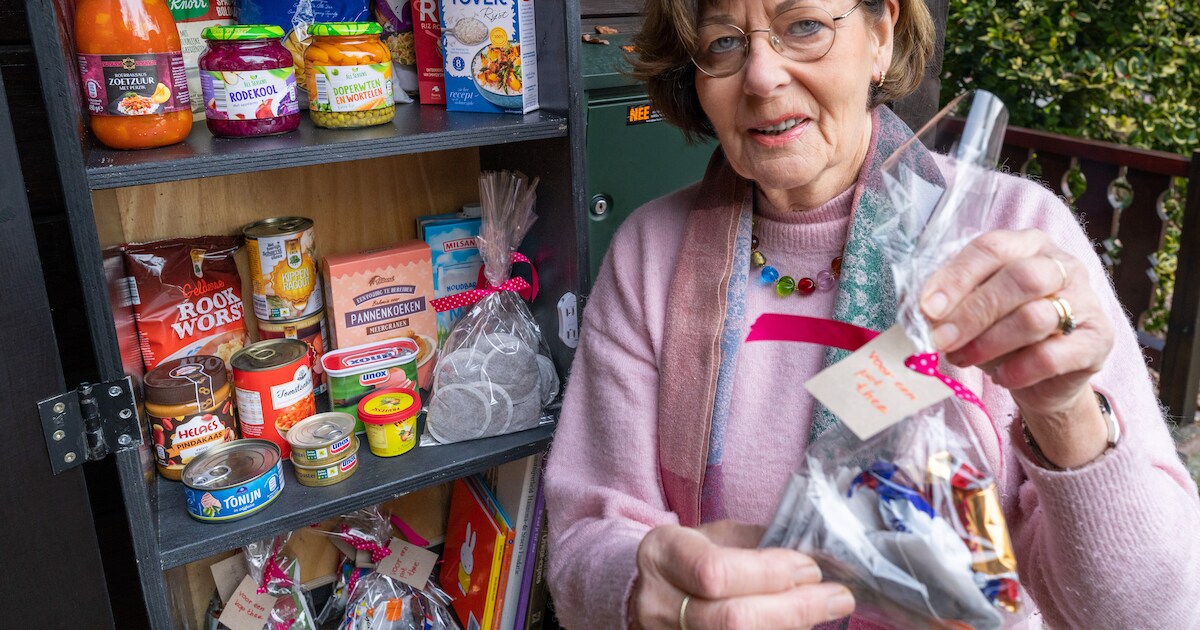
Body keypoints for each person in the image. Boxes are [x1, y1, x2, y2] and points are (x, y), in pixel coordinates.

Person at [542, 0, 1200, 628]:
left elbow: (1157, 615)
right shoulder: (651, 253)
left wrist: (1063, 411)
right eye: (724, 42)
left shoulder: (1010, 239)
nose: (763, 75)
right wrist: (635, 587)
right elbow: (580, 545)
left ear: (880, 35)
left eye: (803, 25)